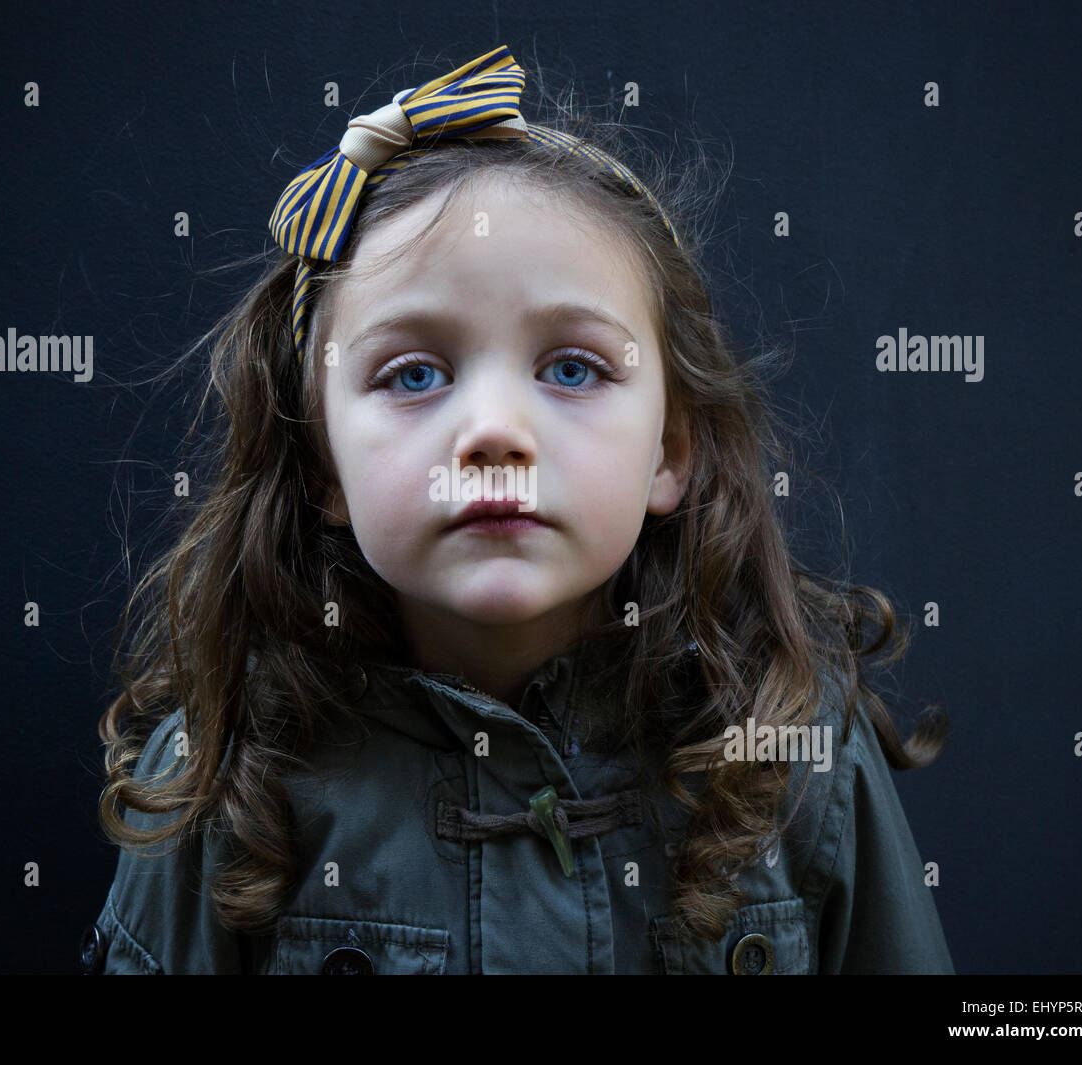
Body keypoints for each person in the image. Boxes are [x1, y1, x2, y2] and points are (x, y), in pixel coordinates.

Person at [81, 44, 954, 975]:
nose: (495, 432)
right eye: (413, 374)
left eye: (571, 368)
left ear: (670, 449)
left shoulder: (798, 747)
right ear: (321, 462)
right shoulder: (227, 769)